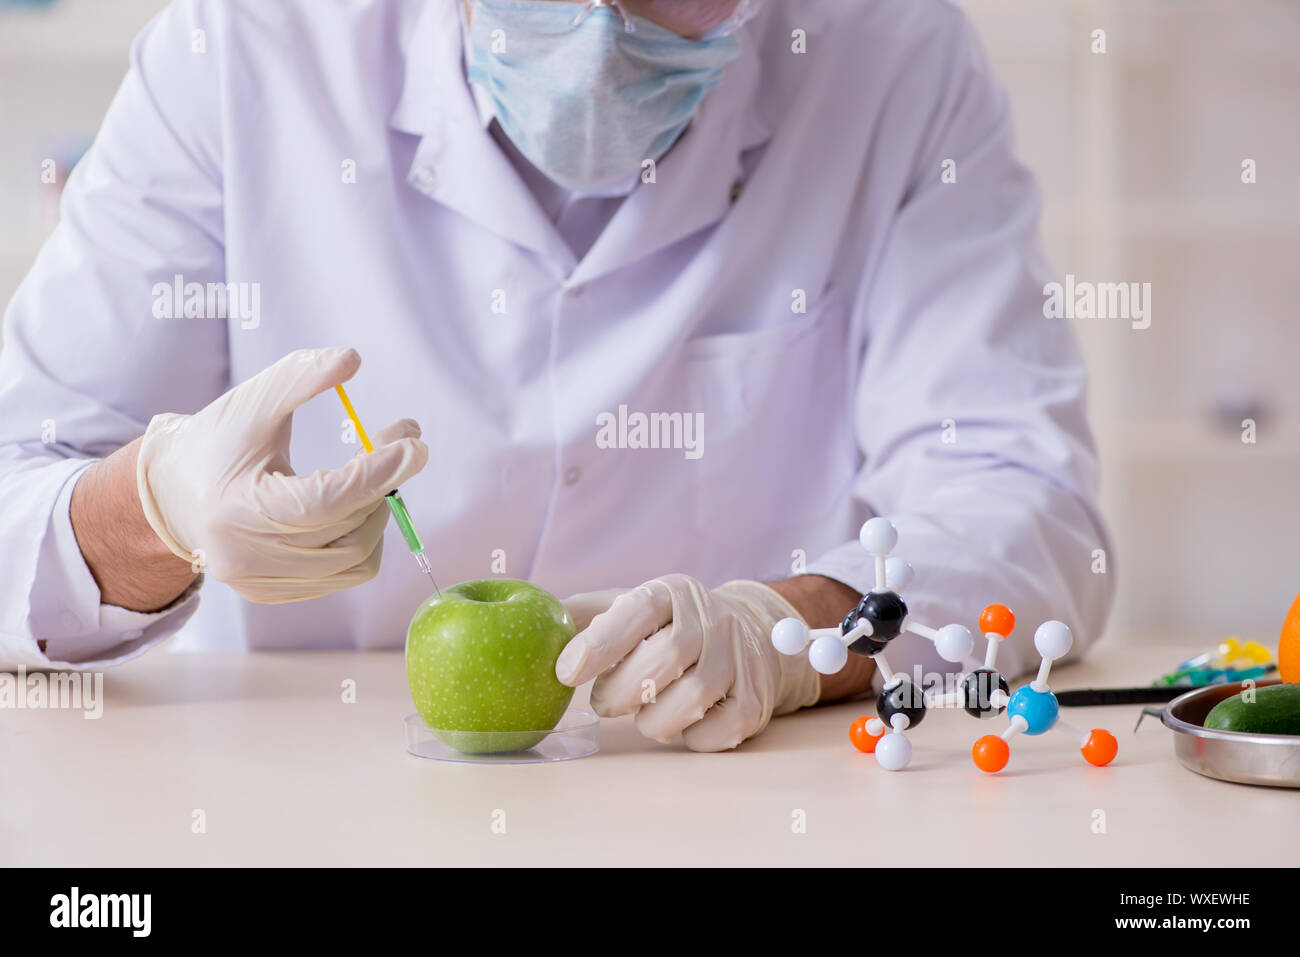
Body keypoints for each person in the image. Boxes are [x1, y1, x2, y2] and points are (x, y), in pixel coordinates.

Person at [0, 0, 1113, 751]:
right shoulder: (249, 44)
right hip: (296, 805)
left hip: (726, 805)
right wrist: (152, 510)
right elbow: (15, 487)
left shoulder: (888, 53)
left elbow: (1025, 496)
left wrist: (790, 635)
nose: (598, 32)